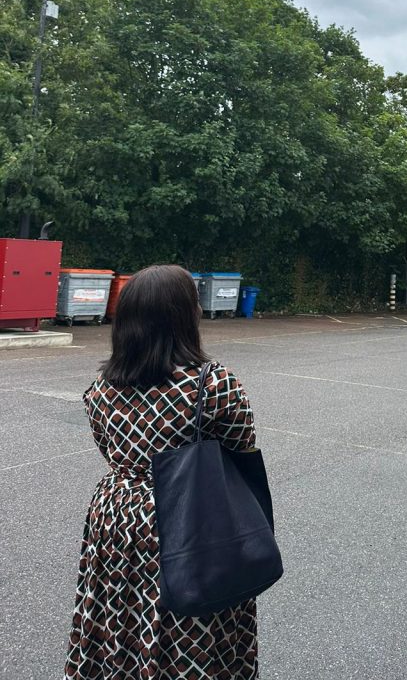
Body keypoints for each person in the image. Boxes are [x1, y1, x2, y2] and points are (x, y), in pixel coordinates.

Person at [65, 264, 260, 680]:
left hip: (116, 512)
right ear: (184, 316)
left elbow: (108, 448)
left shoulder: (101, 387)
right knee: (194, 618)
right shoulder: (213, 384)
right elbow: (243, 447)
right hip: (189, 513)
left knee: (118, 608)